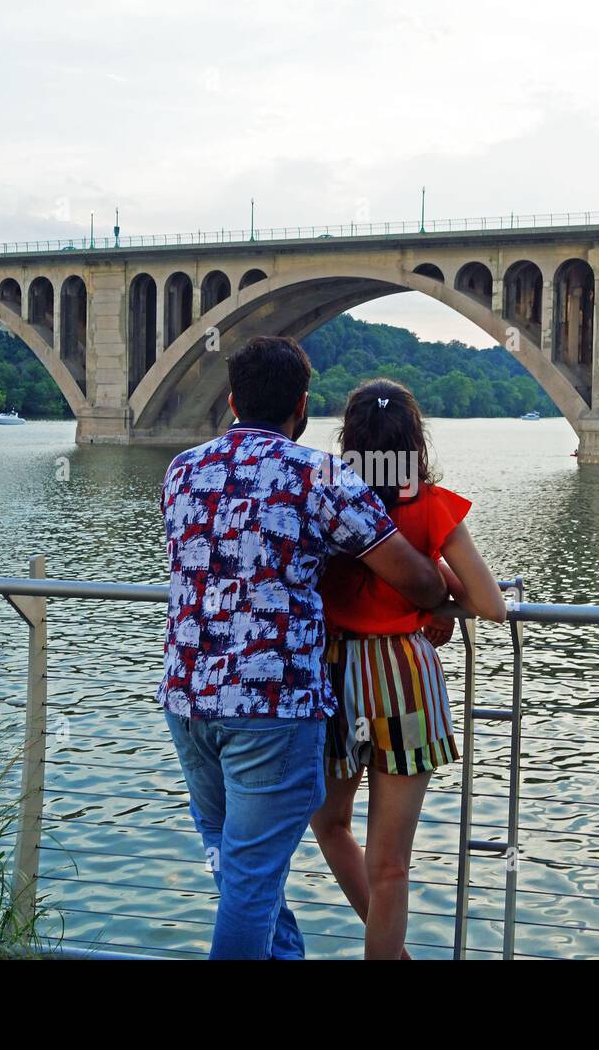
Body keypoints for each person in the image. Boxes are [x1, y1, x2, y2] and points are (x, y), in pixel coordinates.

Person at [158, 336, 447, 960]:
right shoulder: (319, 475)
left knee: (239, 868)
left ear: (232, 401)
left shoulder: (182, 470)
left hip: (187, 700)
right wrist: (439, 582)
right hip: (271, 708)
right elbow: (417, 581)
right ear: (303, 407)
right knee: (252, 879)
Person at [312, 378, 507, 959]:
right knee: (392, 864)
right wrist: (438, 592)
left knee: (331, 824)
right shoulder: (430, 506)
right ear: (414, 440)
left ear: (349, 439)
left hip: (337, 675)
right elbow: (491, 605)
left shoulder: (324, 499)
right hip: (404, 679)